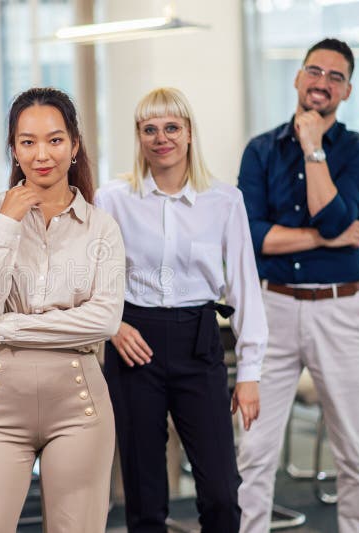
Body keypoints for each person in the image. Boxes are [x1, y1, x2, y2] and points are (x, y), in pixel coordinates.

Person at [94, 87, 267, 533]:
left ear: (189, 133)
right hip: (135, 346)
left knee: (222, 494)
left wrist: (249, 375)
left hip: (198, 341)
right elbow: (89, 277)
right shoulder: (112, 199)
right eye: (149, 129)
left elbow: (246, 287)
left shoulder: (225, 201)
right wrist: (112, 325)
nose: (160, 137)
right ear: (139, 136)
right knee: (145, 496)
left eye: (171, 127)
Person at [0, 87, 125, 533]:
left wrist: (4, 326)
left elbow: (103, 320)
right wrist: (8, 224)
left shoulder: (102, 227)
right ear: (13, 148)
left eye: (54, 139)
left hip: (79, 402)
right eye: (27, 142)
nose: (41, 154)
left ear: (74, 145)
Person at [236, 38, 359, 533]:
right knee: (253, 450)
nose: (322, 82)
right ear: (297, 78)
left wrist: (313, 147)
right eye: (314, 71)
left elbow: (339, 214)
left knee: (355, 451)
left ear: (348, 90)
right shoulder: (260, 150)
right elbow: (252, 236)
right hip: (272, 309)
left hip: (340, 311)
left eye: (335, 76)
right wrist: (326, 238)